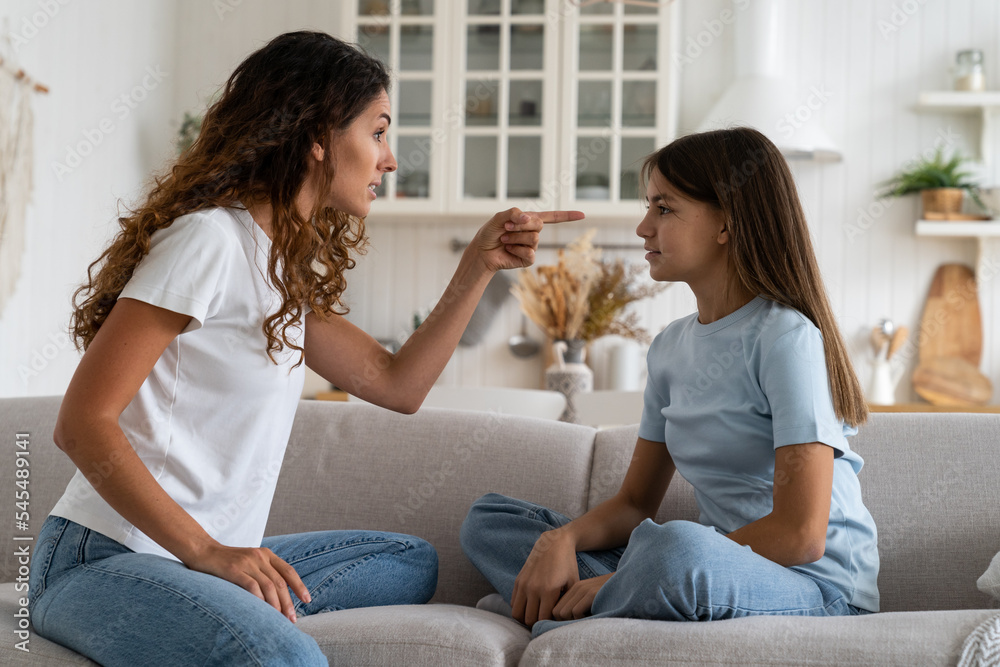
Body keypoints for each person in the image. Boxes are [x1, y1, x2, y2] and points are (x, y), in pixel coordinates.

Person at [29, 31, 582, 666]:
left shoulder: (276, 268)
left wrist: (478, 266)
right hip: (105, 558)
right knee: (287, 659)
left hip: (195, 565)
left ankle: (224, 599)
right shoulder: (208, 240)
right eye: (377, 132)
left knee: (409, 562)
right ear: (318, 137)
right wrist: (208, 552)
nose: (390, 158)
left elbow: (397, 386)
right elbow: (82, 424)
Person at [461, 127, 879, 637]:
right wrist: (562, 542)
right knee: (490, 520)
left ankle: (566, 613)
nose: (643, 227)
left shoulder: (785, 339)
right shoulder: (669, 348)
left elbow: (802, 535)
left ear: (726, 222)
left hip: (815, 588)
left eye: (663, 208)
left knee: (678, 548)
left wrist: (623, 573)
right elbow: (635, 504)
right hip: (714, 571)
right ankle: (595, 602)